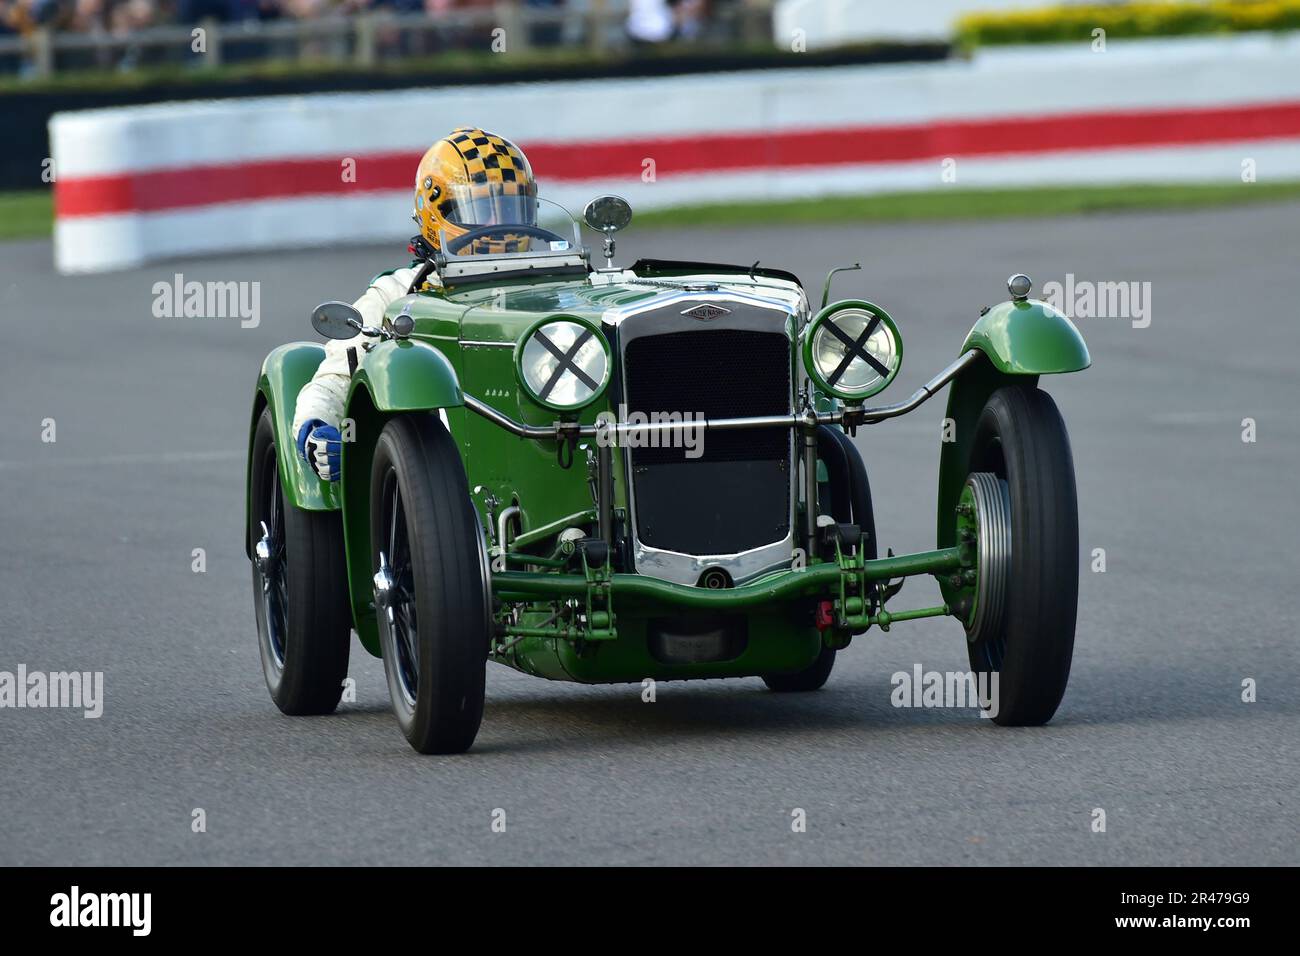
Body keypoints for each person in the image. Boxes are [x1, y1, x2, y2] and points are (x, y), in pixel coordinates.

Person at [292, 127, 537, 482]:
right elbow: (335, 376)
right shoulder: (396, 293)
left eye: (513, 209)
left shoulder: (552, 287)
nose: (500, 228)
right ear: (437, 212)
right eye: (483, 212)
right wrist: (317, 429)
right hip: (434, 475)